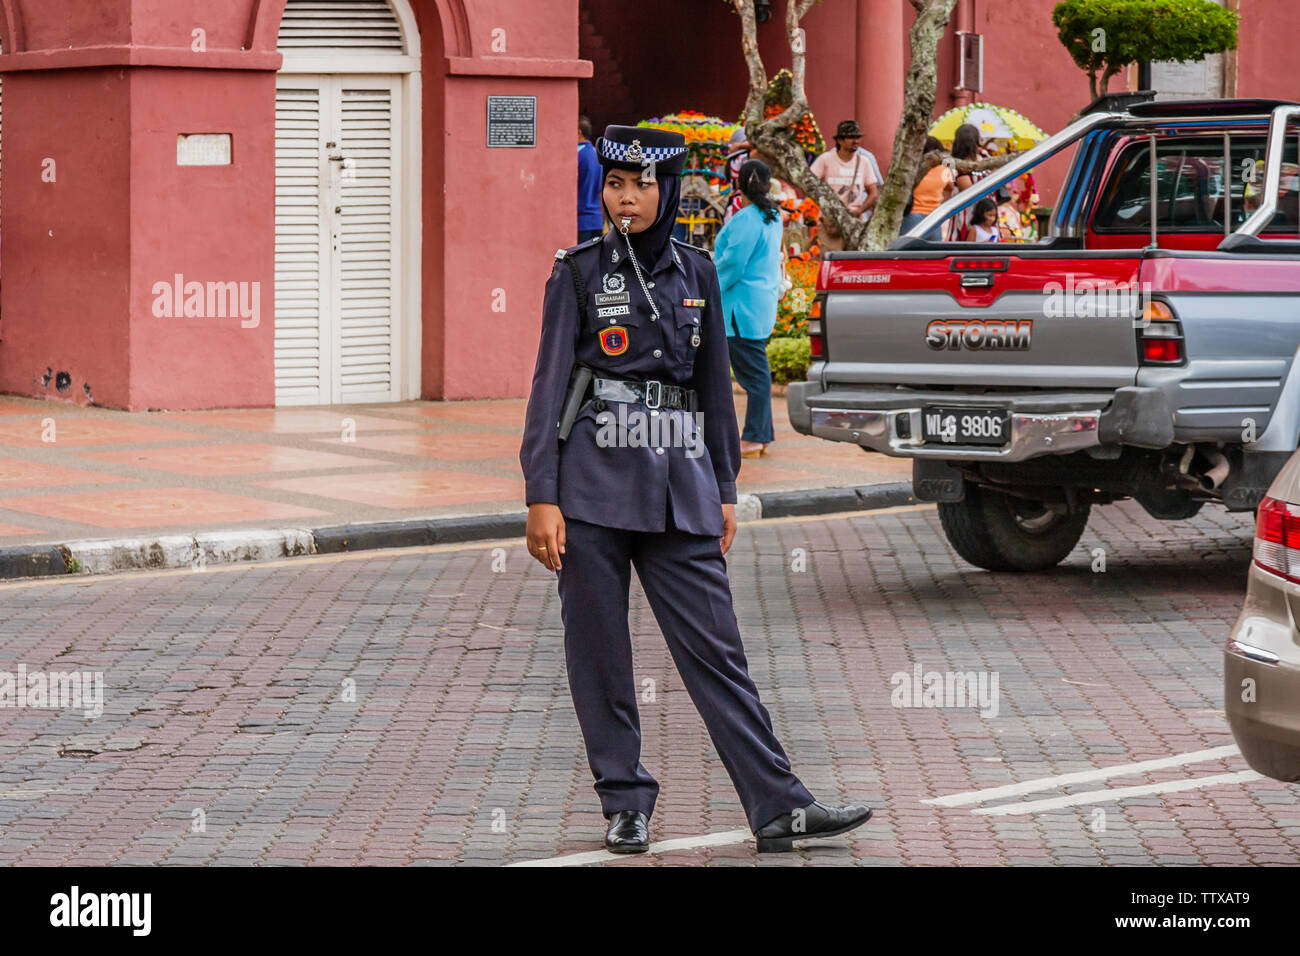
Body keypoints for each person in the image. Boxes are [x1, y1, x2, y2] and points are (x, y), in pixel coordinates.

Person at [519, 124, 873, 855]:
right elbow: (549, 385)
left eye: (641, 185)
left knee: (718, 651)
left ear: (668, 189)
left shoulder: (698, 272)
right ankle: (625, 803)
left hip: (679, 483)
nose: (626, 198)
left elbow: (713, 390)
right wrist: (540, 493)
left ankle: (777, 804)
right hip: (590, 486)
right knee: (600, 652)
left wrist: (725, 487)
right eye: (614, 184)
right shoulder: (578, 273)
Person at [714, 158, 783, 460]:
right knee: (757, 374)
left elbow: (732, 265)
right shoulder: (773, 217)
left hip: (738, 309)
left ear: (738, 185)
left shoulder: (744, 220)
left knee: (754, 377)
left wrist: (706, 285)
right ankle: (761, 435)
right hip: (759, 306)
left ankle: (755, 437)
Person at [811, 119, 879, 248]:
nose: (856, 141)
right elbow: (809, 184)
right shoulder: (826, 159)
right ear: (840, 140)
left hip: (856, 222)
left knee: (855, 264)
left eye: (858, 137)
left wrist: (860, 210)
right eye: (851, 137)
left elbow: (873, 192)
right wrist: (827, 207)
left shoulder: (864, 161)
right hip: (830, 223)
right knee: (832, 262)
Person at [901, 136, 955, 240]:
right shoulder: (944, 170)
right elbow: (950, 187)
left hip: (912, 215)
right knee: (933, 254)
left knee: (908, 253)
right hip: (934, 217)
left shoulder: (913, 168)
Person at [577, 116, 604, 242]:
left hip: (581, 221)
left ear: (579, 131)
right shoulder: (598, 155)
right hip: (597, 220)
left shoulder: (576, 155)